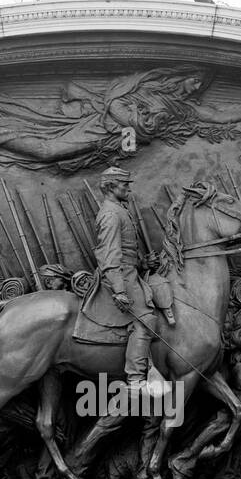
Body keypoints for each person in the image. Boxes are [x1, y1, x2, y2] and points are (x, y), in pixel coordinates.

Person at [94, 165, 154, 388]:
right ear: (110, 187)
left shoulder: (119, 208)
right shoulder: (110, 214)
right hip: (120, 275)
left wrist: (143, 263)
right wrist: (119, 290)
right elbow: (110, 256)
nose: (128, 188)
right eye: (124, 184)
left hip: (130, 270)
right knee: (145, 321)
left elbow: (127, 250)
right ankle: (136, 378)